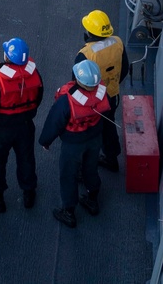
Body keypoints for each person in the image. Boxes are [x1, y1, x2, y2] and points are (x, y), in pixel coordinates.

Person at [38, 60, 110, 228]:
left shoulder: (66, 101)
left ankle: (69, 211)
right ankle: (92, 199)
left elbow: (54, 122)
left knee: (68, 175)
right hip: (94, 139)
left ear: (78, 79)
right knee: (91, 168)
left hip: (73, 144)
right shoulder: (102, 93)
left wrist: (45, 141)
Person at [0, 37, 44, 213]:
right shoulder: (34, 74)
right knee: (26, 159)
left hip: (1, 129)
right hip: (25, 126)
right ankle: (29, 192)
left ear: (7, 57)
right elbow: (38, 98)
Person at [75, 10, 128, 172]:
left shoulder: (85, 54)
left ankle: (85, 165)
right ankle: (112, 158)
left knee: (88, 130)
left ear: (89, 32)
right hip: (112, 95)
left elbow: (77, 82)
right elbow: (125, 68)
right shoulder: (118, 43)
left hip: (92, 101)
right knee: (109, 126)